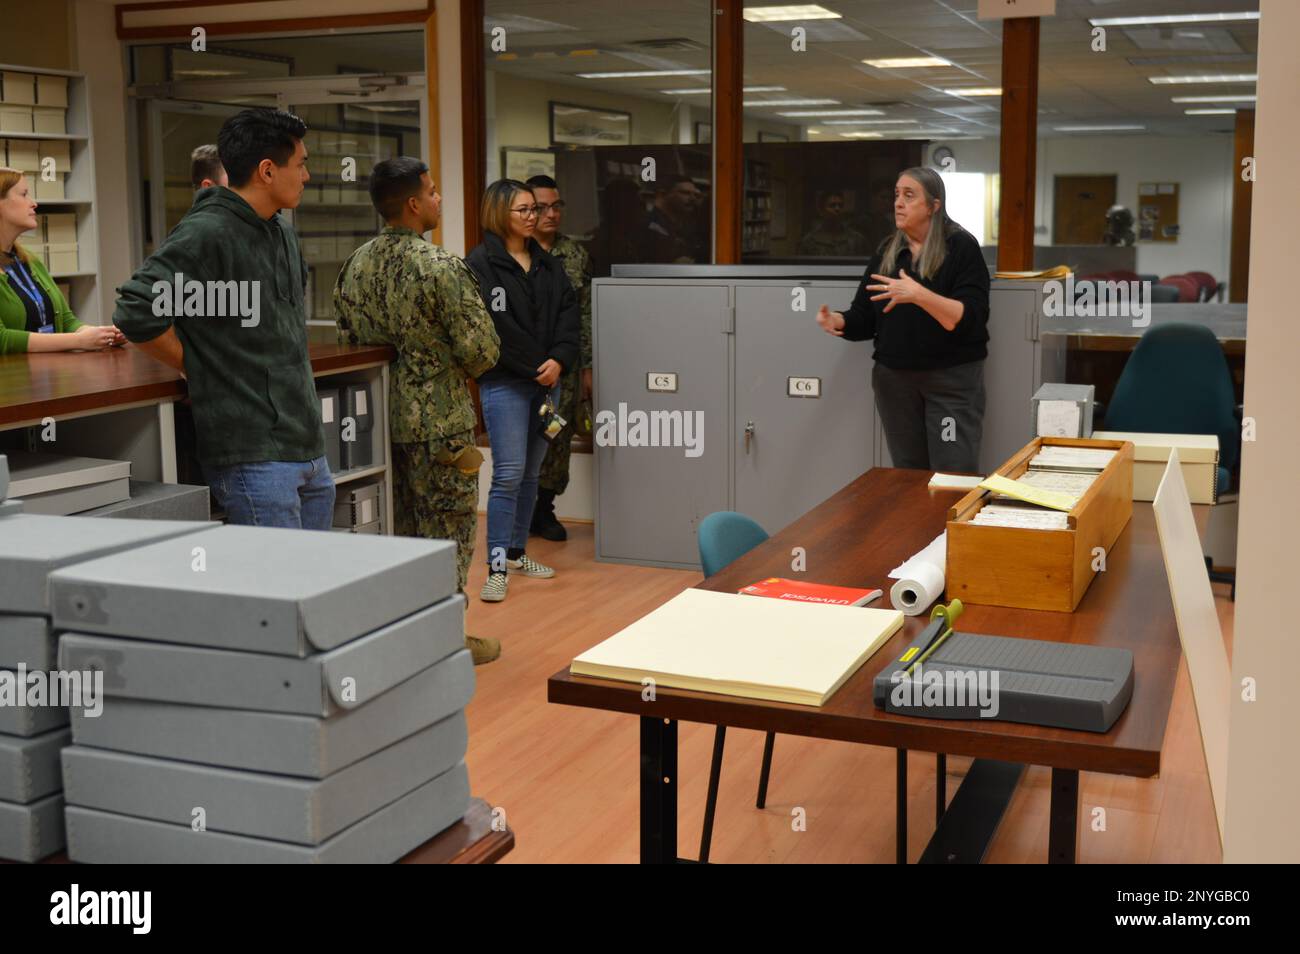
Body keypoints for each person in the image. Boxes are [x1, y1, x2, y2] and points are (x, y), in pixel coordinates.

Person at [114, 108, 333, 529]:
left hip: (305, 443)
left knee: (315, 585)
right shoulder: (208, 231)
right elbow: (135, 309)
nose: (306, 175)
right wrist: (193, 364)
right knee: (273, 590)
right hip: (254, 455)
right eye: (301, 164)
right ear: (267, 171)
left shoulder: (280, 228)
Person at [333, 157, 503, 665]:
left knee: (396, 530)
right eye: (432, 191)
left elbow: (347, 340)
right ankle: (446, 638)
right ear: (412, 204)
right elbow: (482, 351)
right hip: (440, 425)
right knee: (447, 531)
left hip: (376, 423)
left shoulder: (355, 264)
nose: (439, 199)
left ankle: (404, 633)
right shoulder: (441, 267)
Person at [815, 166, 990, 472]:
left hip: (950, 382)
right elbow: (864, 317)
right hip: (895, 381)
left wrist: (918, 294)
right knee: (907, 476)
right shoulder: (888, 251)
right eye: (897, 195)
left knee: (954, 473)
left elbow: (968, 318)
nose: (898, 203)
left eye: (909, 196)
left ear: (934, 206)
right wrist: (838, 322)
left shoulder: (961, 246)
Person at [464, 179, 580, 603]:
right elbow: (492, 330)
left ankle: (516, 552)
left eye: (536, 209)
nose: (535, 217)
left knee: (532, 474)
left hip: (548, 384)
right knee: (508, 475)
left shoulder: (548, 265)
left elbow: (569, 318)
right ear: (500, 214)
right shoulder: (480, 264)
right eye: (524, 210)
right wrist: (536, 366)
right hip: (507, 384)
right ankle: (496, 567)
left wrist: (559, 361)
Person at [524, 174, 592, 542]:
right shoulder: (513, 253)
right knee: (524, 436)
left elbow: (586, 313)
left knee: (556, 433)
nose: (551, 214)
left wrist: (588, 366)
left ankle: (544, 507)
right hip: (522, 370)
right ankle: (522, 508)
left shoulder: (575, 254)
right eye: (541, 207)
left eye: (556, 206)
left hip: (564, 366)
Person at [1, 168, 121, 354]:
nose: (33, 203)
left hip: (52, 378)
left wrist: (101, 335)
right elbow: (2, 339)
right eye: (24, 195)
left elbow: (66, 321)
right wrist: (78, 341)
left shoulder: (30, 261)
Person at [645, 174, 704, 263]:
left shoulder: (684, 225)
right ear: (662, 195)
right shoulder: (650, 225)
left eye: (695, 195)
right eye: (685, 193)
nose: (693, 198)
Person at [798, 190, 868, 257]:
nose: (837, 209)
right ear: (821, 211)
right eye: (832, 205)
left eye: (840, 205)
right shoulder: (809, 242)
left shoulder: (857, 240)